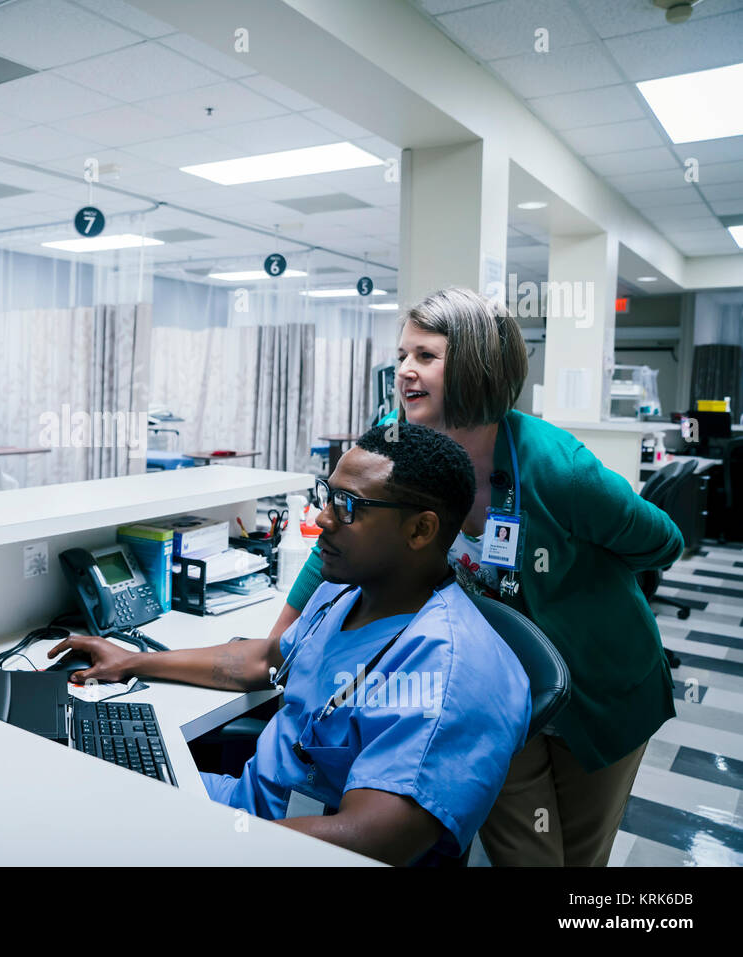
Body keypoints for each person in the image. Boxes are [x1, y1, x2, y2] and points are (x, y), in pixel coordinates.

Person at [274, 287, 684, 867]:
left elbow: (662, 542)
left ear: (474, 365)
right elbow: (338, 529)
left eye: (426, 356)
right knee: (525, 853)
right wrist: (279, 637)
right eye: (402, 355)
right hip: (495, 681)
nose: (405, 372)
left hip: (602, 684)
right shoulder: (396, 436)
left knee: (578, 855)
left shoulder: (558, 469)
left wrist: (576, 586)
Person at [49, 422, 531, 866]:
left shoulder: (449, 671)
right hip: (241, 809)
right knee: (70, 778)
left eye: (348, 506)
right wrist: (134, 661)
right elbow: (260, 659)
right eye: (327, 495)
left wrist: (204, 840)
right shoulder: (347, 592)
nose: (323, 519)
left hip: (270, 845)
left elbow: (373, 838)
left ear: (420, 530)